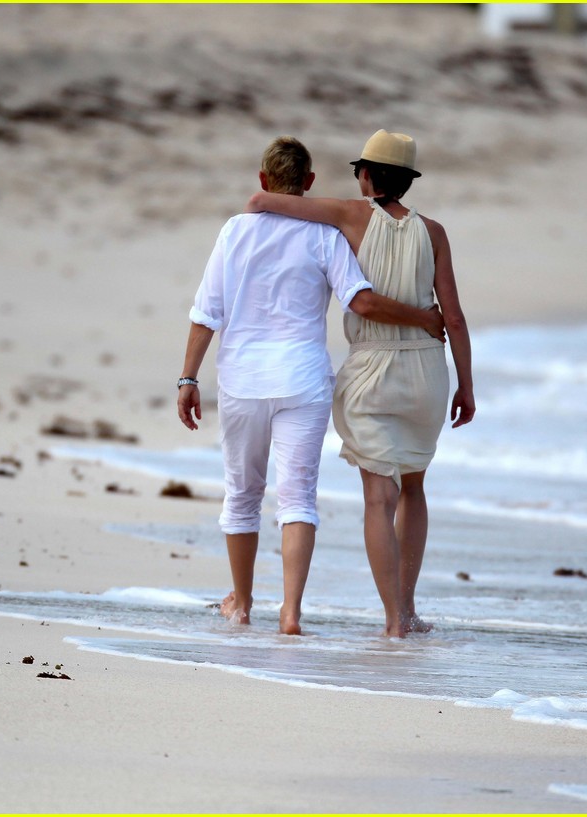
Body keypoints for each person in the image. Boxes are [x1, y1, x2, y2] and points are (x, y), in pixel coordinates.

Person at [178, 136, 445, 636]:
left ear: (262, 181)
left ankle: (241, 603)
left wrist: (188, 377)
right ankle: (291, 612)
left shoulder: (234, 232)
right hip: (303, 380)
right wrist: (424, 319)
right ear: (310, 183)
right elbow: (360, 299)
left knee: (242, 494)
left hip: (243, 380)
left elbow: (205, 313)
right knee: (297, 498)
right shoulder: (325, 237)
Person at [245, 129, 475, 637]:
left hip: (373, 369)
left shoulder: (351, 215)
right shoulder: (434, 232)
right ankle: (409, 610)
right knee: (413, 486)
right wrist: (466, 386)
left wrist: (267, 195)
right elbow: (453, 318)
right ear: (407, 182)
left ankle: (392, 622)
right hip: (428, 371)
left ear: (367, 175)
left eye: (359, 170)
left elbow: (264, 201)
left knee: (379, 498)